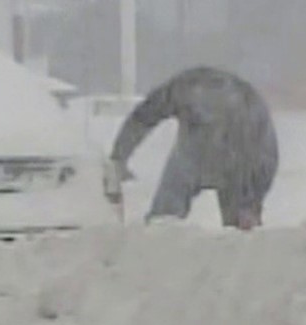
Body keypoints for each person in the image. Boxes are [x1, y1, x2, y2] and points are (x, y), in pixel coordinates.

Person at [110, 66, 279, 230]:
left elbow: (144, 117)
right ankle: (244, 227)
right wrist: (251, 203)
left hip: (227, 140)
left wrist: (119, 157)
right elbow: (268, 155)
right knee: (241, 227)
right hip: (253, 146)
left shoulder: (183, 89)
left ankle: (161, 230)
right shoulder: (245, 101)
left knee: (166, 214)